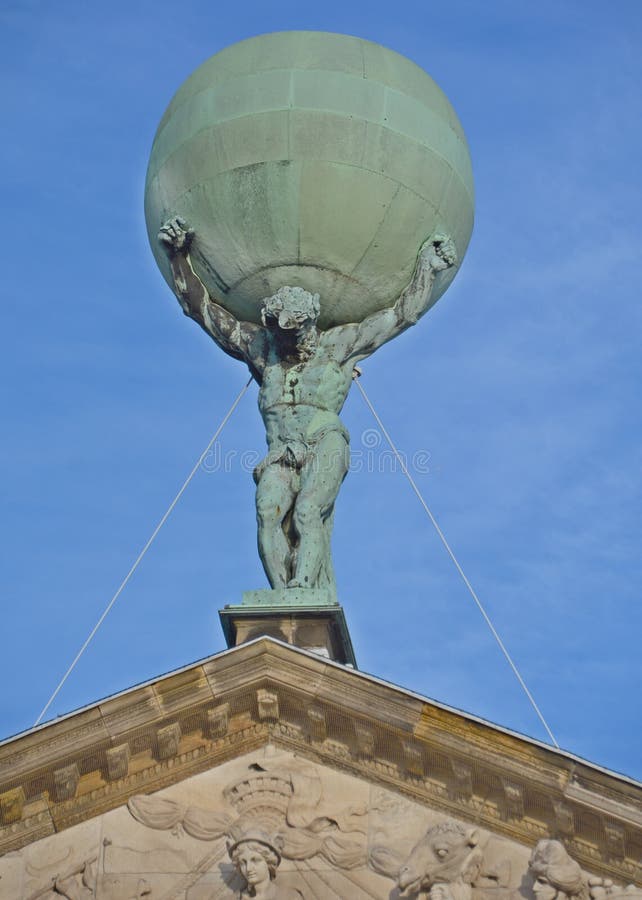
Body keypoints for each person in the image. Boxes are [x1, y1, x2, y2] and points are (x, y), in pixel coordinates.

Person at [159, 217, 456, 592]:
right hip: (280, 450)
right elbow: (202, 311)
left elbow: (399, 316)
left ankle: (303, 586)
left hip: (324, 441)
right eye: (280, 334)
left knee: (307, 511)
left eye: (294, 331)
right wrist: (178, 257)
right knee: (267, 513)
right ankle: (282, 597)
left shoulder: (339, 347)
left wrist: (427, 269)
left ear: (309, 323)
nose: (287, 342)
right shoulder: (261, 348)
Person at [227, 828, 303, 899]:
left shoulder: (291, 897)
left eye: (255, 860)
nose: (248, 868)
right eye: (243, 863)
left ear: (269, 862)